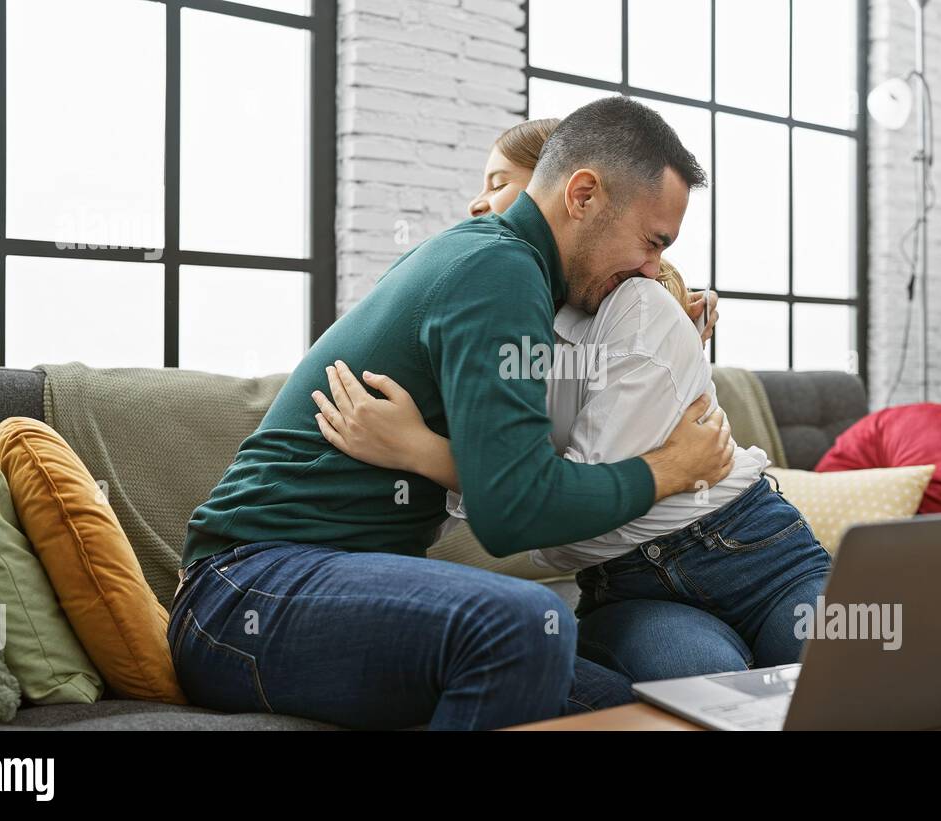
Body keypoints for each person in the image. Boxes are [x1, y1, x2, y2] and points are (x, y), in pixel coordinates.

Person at [170, 97, 728, 731]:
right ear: (582, 196)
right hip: (248, 590)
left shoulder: (512, 273)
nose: (651, 267)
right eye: (651, 242)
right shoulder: (498, 270)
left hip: (321, 591)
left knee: (643, 717)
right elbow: (514, 508)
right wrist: (669, 467)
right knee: (515, 622)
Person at [312, 122, 832, 682]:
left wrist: (424, 451)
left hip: (752, 550)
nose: (478, 204)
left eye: (499, 182)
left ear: (572, 194)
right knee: (704, 688)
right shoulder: (493, 302)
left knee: (846, 673)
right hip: (627, 585)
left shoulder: (632, 305)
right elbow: (549, 502)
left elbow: (560, 523)